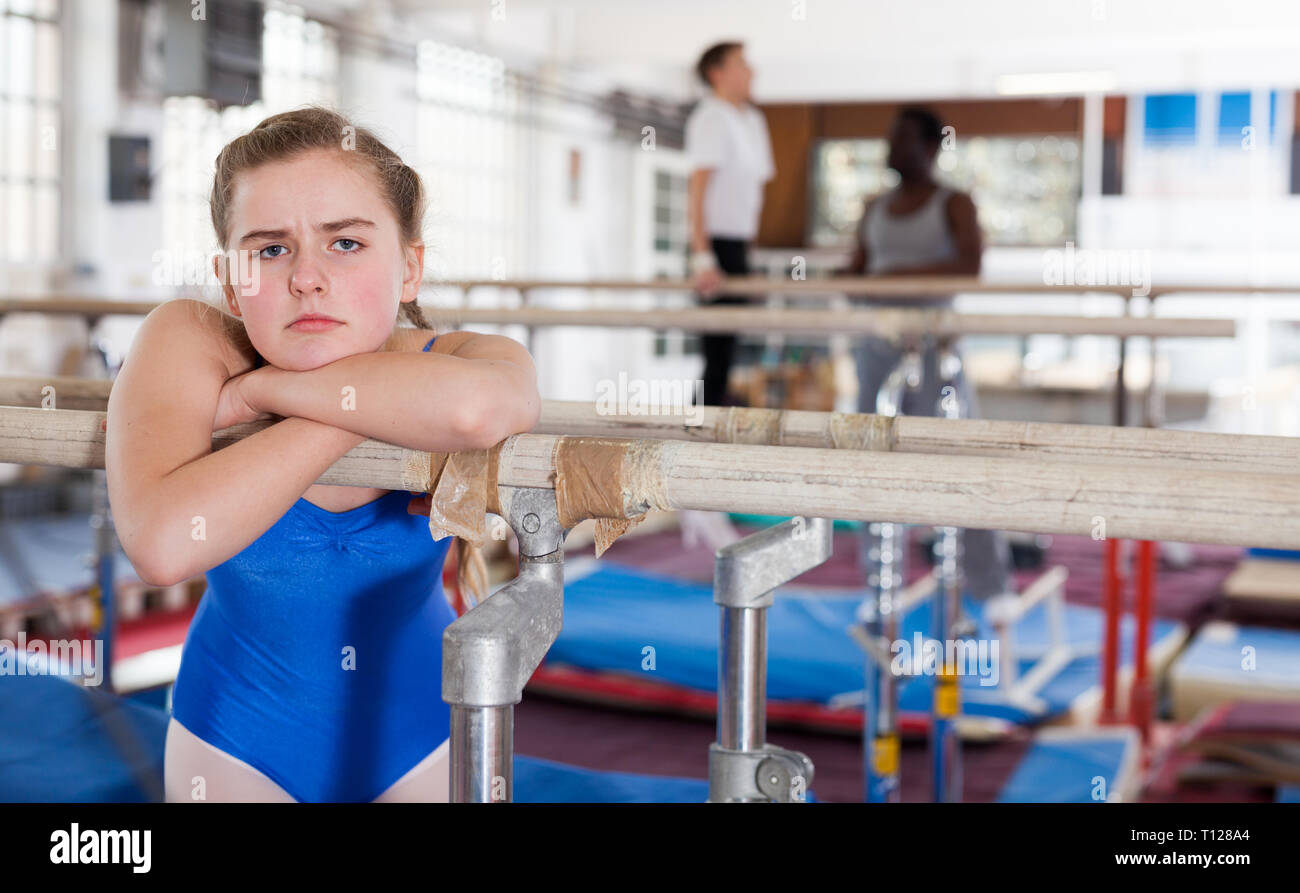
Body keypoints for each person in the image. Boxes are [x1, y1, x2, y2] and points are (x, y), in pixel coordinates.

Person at [105, 106, 541, 802]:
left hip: (421, 729)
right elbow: (161, 543)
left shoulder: (460, 357)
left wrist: (267, 392)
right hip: (236, 735)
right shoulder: (188, 336)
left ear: (410, 266)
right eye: (270, 249)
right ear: (228, 279)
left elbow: (477, 408)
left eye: (345, 244)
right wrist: (362, 406)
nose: (307, 277)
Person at [845, 105, 1012, 601]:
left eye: (902, 140)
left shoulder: (955, 202)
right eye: (889, 139)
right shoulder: (873, 205)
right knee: (871, 466)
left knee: (964, 466)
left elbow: (970, 265)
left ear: (931, 148)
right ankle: (879, 587)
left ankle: (990, 585)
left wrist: (893, 279)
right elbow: (856, 272)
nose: (891, 149)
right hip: (877, 350)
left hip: (937, 352)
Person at [684, 40, 775, 408]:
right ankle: (697, 430)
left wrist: (748, 259)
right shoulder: (711, 117)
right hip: (714, 244)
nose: (751, 70)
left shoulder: (753, 120)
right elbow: (698, 189)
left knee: (732, 349)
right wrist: (702, 256)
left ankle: (710, 421)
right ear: (716, 73)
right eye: (741, 63)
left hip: (738, 244)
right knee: (717, 354)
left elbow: (749, 200)